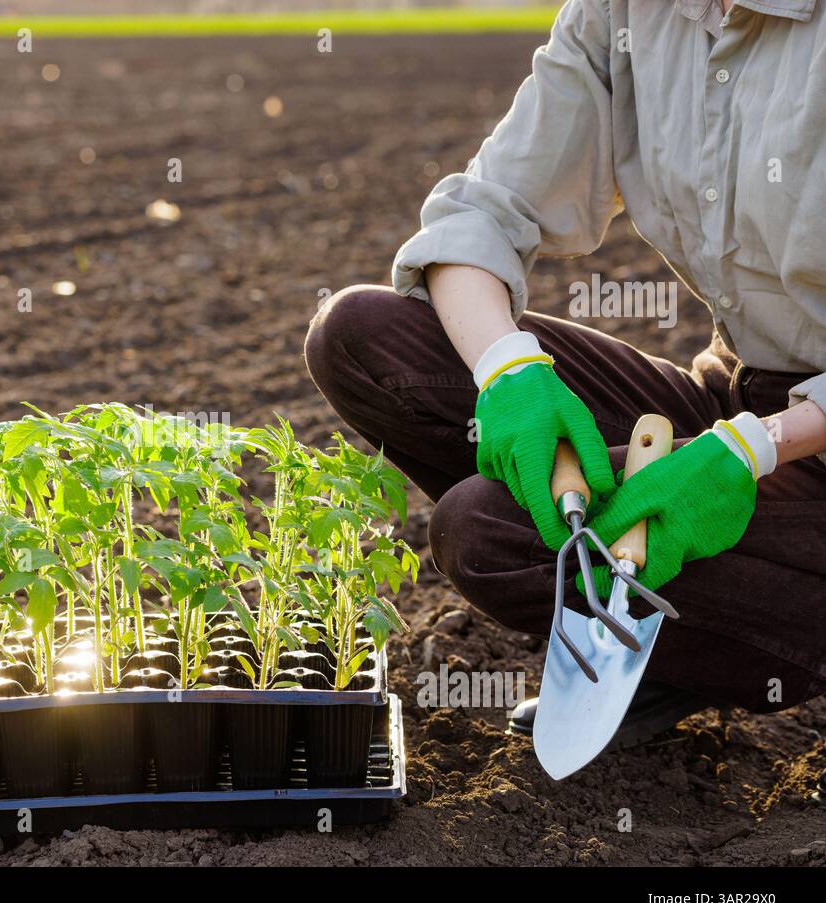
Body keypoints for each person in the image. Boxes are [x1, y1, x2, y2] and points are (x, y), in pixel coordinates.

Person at [305, 0, 826, 745]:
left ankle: (723, 635)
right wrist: (509, 372)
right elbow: (483, 211)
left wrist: (759, 448)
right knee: (360, 337)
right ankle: (673, 637)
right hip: (736, 389)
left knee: (484, 529)